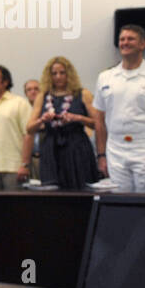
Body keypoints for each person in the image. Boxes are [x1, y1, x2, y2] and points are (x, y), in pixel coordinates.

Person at [91, 24, 145, 192]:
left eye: (130, 39)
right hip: (116, 149)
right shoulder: (105, 77)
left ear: (142, 44)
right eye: (122, 39)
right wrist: (101, 155)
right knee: (121, 204)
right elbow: (99, 121)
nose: (125, 42)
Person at [25, 56, 98, 190]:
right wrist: (42, 119)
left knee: (80, 190)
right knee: (52, 192)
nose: (58, 77)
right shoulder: (43, 96)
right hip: (50, 149)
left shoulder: (83, 94)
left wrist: (78, 118)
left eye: (62, 73)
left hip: (76, 148)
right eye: (54, 73)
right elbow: (29, 128)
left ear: (68, 74)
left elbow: (97, 124)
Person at [23, 78, 42, 181]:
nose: (33, 91)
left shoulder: (48, 109)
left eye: (36, 89)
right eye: (29, 89)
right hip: (27, 159)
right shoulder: (22, 111)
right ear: (25, 93)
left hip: (44, 158)